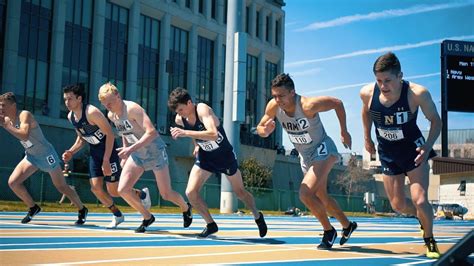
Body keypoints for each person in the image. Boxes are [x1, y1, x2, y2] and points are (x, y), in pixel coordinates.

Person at [256, 73, 357, 249]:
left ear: (293, 92)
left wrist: (344, 131)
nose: (277, 100)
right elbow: (260, 127)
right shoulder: (273, 106)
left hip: (323, 149)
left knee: (305, 194)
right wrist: (265, 131)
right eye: (274, 96)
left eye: (281, 96)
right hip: (305, 155)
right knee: (321, 197)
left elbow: (337, 103)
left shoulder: (308, 105)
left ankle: (328, 231)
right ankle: (348, 225)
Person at [360, 52, 441, 259]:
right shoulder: (367, 93)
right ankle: (420, 217)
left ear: (400, 76)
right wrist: (367, 138)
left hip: (414, 152)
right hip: (388, 153)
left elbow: (436, 121)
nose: (383, 86)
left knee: (421, 200)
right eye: (379, 81)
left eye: (387, 80)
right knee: (398, 205)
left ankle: (429, 240)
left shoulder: (417, 93)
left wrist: (428, 146)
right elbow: (366, 112)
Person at [168, 87, 267, 238]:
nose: (179, 114)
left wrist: (185, 133)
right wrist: (196, 145)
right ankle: (210, 224)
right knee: (190, 193)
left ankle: (257, 215)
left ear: (189, 103)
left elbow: (213, 134)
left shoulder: (202, 109)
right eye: (177, 111)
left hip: (224, 157)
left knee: (240, 193)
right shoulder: (179, 119)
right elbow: (193, 130)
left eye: (181, 109)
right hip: (206, 158)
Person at [98, 82, 192, 233]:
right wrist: (125, 152)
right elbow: (124, 132)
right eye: (105, 104)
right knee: (122, 189)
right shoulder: (111, 115)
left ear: (118, 96)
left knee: (166, 194)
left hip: (155, 152)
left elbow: (152, 132)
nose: (108, 106)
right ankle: (147, 217)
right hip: (137, 155)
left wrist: (129, 149)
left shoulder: (132, 109)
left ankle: (186, 207)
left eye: (111, 102)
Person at [62, 83, 151, 229]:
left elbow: (110, 134)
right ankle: (117, 215)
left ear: (79, 99)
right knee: (96, 188)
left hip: (108, 152)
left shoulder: (92, 112)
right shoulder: (71, 116)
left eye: (70, 99)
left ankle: (141, 194)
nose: (67, 102)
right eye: (65, 99)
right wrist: (71, 152)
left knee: (114, 191)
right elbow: (81, 138)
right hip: (95, 154)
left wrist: (106, 160)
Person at [0, 92, 88, 225]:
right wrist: (6, 124)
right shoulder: (7, 120)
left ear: (13, 105)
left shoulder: (24, 115)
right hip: (31, 156)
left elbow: (24, 135)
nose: (0, 108)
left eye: (3, 105)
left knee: (61, 186)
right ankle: (33, 207)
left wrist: (7, 126)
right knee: (13, 183)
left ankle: (82, 209)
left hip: (46, 155)